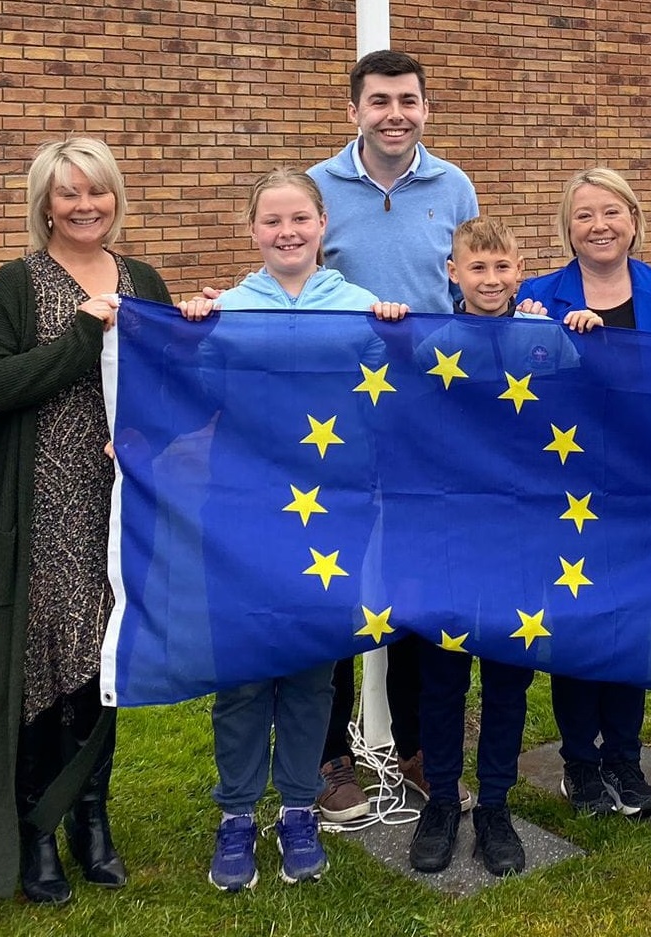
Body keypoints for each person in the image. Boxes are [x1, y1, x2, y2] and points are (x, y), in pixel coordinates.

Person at [0, 138, 171, 905]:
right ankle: (36, 825)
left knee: (104, 653)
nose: (83, 206)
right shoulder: (18, 283)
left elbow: (175, 384)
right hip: (39, 505)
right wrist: (80, 336)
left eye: (96, 191)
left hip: (118, 503)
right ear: (44, 203)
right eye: (67, 194)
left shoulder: (142, 281)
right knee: (44, 659)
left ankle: (90, 815)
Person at [179, 168, 406, 891]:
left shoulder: (360, 306)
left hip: (329, 518)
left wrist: (398, 332)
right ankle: (237, 814)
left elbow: (398, 392)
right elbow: (182, 392)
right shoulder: (228, 310)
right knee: (244, 673)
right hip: (243, 516)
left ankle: (300, 806)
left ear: (321, 226)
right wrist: (177, 330)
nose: (286, 232)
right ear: (252, 230)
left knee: (311, 671)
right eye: (272, 220)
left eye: (299, 219)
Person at [307, 48, 480, 822]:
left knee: (416, 581)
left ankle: (417, 747)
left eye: (408, 100)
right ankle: (328, 755)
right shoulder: (315, 187)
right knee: (333, 576)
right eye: (379, 101)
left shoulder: (454, 187)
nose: (394, 115)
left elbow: (467, 287)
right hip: (335, 424)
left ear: (426, 108)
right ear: (354, 111)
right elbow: (292, 281)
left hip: (425, 421)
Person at [407, 217, 601, 877]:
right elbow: (415, 437)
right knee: (442, 674)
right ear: (453, 274)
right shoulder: (430, 342)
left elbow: (581, 418)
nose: (490, 280)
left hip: (523, 534)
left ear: (519, 271)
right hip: (450, 538)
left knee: (508, 674)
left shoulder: (547, 340)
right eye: (477, 268)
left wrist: (585, 334)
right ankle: (440, 800)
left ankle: (494, 803)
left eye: (502, 268)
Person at [515, 167, 651, 819]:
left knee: (630, 625)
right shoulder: (537, 295)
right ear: (567, 227)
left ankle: (624, 755)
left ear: (633, 219)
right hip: (566, 492)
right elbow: (514, 391)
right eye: (584, 214)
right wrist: (530, 339)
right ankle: (579, 763)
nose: (599, 224)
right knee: (576, 624)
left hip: (640, 484)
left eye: (611, 211)